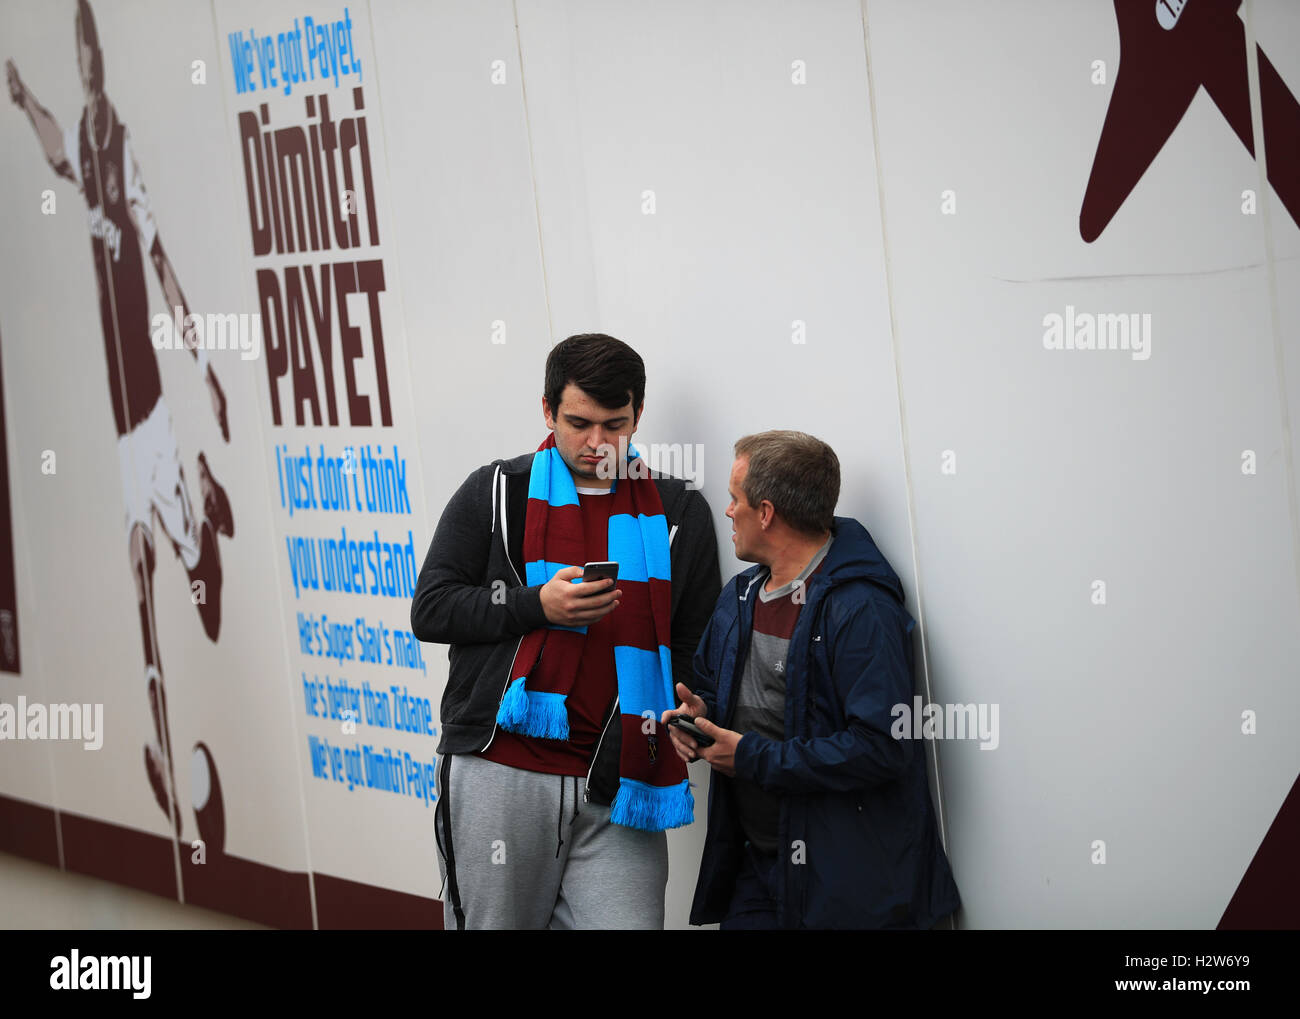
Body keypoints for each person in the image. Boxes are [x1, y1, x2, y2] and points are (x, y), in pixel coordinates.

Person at [6, 0, 232, 849]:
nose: (87, 64)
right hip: (119, 425)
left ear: (102, 55)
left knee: (181, 563)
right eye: (76, 54)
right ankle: (169, 762)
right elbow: (59, 153)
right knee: (138, 567)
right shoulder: (82, 143)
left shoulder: (122, 144)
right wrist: (24, 100)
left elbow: (162, 257)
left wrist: (206, 367)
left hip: (151, 415)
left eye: (90, 49)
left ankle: (203, 510)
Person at [411, 333, 720, 929]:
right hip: (502, 769)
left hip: (621, 783)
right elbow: (433, 608)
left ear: (638, 415)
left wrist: (691, 705)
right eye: (579, 423)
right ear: (548, 411)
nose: (599, 443)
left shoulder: (679, 511)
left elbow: (689, 648)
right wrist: (536, 606)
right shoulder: (498, 490)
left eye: (616, 423)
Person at [663, 430, 960, 929]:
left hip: (847, 887)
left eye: (735, 498)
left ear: (766, 512)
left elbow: (883, 746)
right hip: (756, 873)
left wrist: (751, 757)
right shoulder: (739, 596)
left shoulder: (861, 608)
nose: (727, 510)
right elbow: (720, 693)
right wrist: (701, 719)